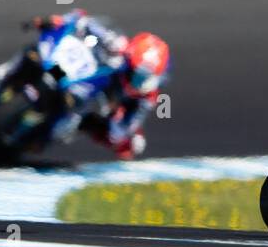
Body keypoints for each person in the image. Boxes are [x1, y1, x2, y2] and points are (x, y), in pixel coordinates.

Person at [27, 10, 170, 159]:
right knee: (42, 49)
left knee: (130, 143)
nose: (138, 83)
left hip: (93, 104)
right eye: (137, 76)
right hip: (83, 74)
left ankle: (42, 138)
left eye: (144, 79)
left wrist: (119, 128)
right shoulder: (118, 45)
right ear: (129, 60)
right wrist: (61, 21)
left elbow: (131, 124)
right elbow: (84, 20)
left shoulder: (147, 96)